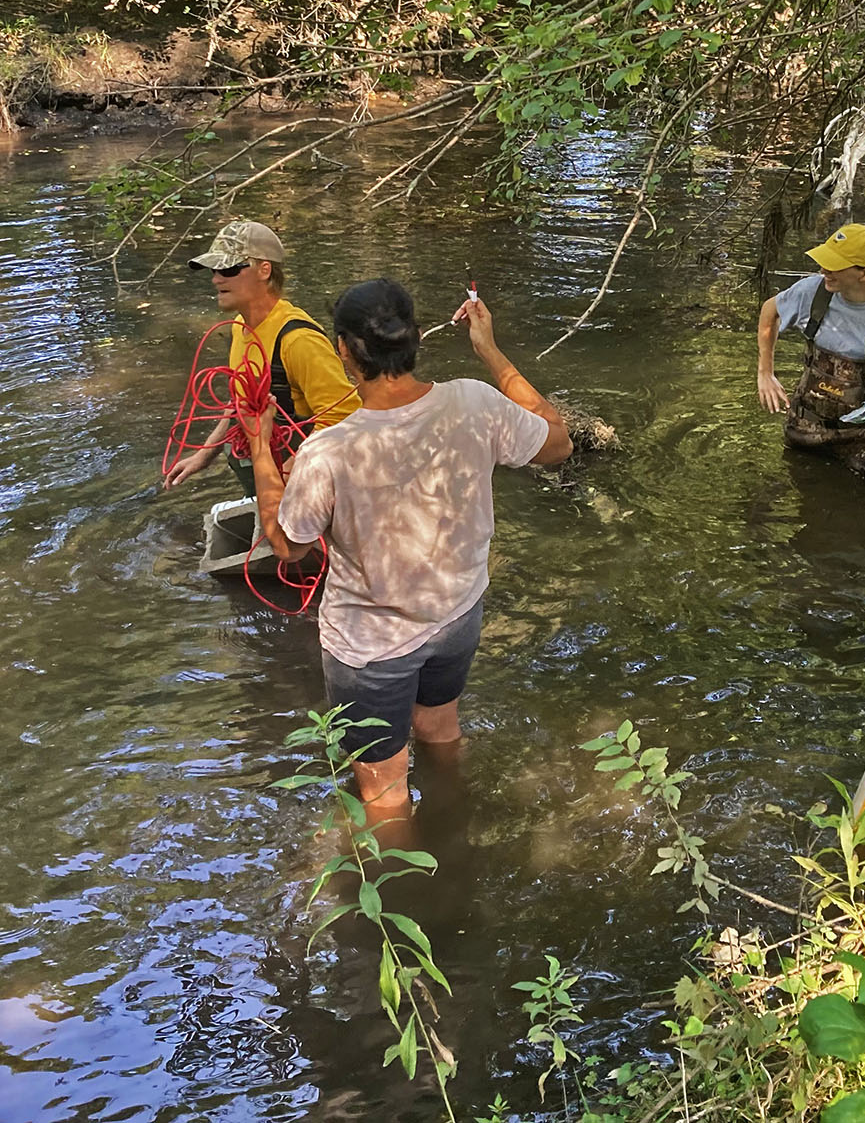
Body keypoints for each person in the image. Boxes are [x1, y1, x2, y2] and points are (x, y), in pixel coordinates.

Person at [240, 278, 572, 825]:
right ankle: (454, 832)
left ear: (344, 350)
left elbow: (288, 548)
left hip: (372, 650)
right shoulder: (473, 401)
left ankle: (411, 896)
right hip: (457, 616)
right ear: (416, 337)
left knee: (384, 794)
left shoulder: (327, 452)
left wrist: (260, 452)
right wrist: (490, 350)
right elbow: (557, 442)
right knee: (442, 732)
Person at [162, 219, 361, 493]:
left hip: (302, 487)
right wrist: (204, 455)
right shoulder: (239, 328)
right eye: (215, 270)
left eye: (229, 269)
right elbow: (239, 403)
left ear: (264, 270)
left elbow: (344, 415)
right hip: (266, 478)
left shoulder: (298, 339)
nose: (216, 278)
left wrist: (286, 477)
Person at [756, 222, 865, 495]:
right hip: (806, 428)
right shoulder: (811, 292)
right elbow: (769, 311)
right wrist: (765, 372)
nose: (824, 270)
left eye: (834, 266)